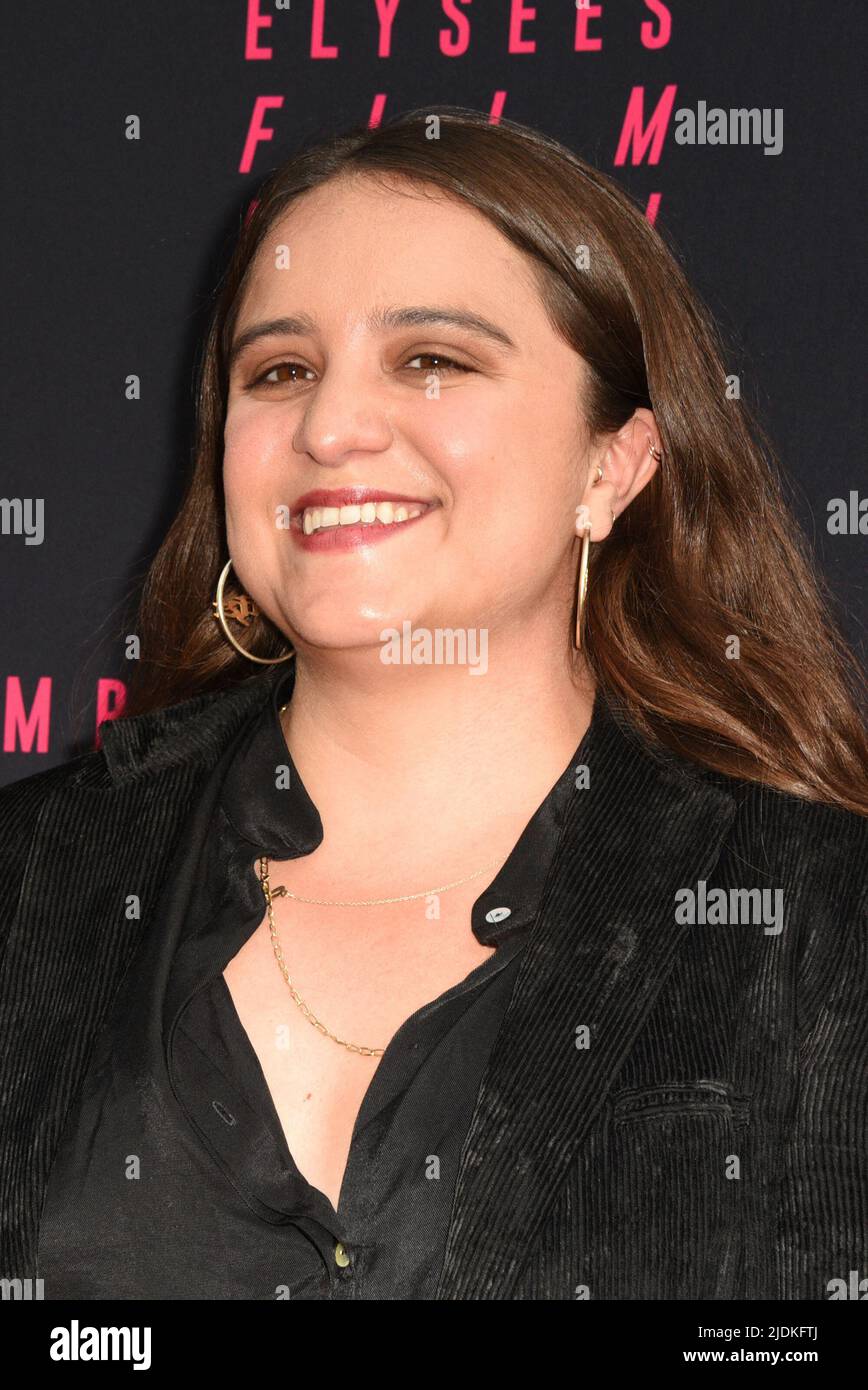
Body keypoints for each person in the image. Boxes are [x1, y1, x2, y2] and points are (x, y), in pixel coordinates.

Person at [1, 107, 865, 1302]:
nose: (330, 427)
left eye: (432, 360)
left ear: (611, 467)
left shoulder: (818, 927)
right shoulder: (28, 882)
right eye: (280, 371)